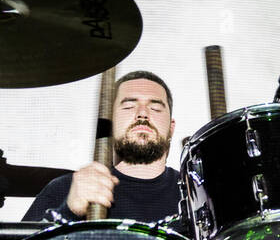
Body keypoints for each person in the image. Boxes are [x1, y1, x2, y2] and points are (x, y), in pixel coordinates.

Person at [25, 70, 182, 222]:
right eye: (128, 106)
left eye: (155, 107)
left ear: (171, 128)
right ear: (109, 123)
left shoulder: (193, 194)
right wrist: (68, 212)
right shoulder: (66, 188)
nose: (142, 113)